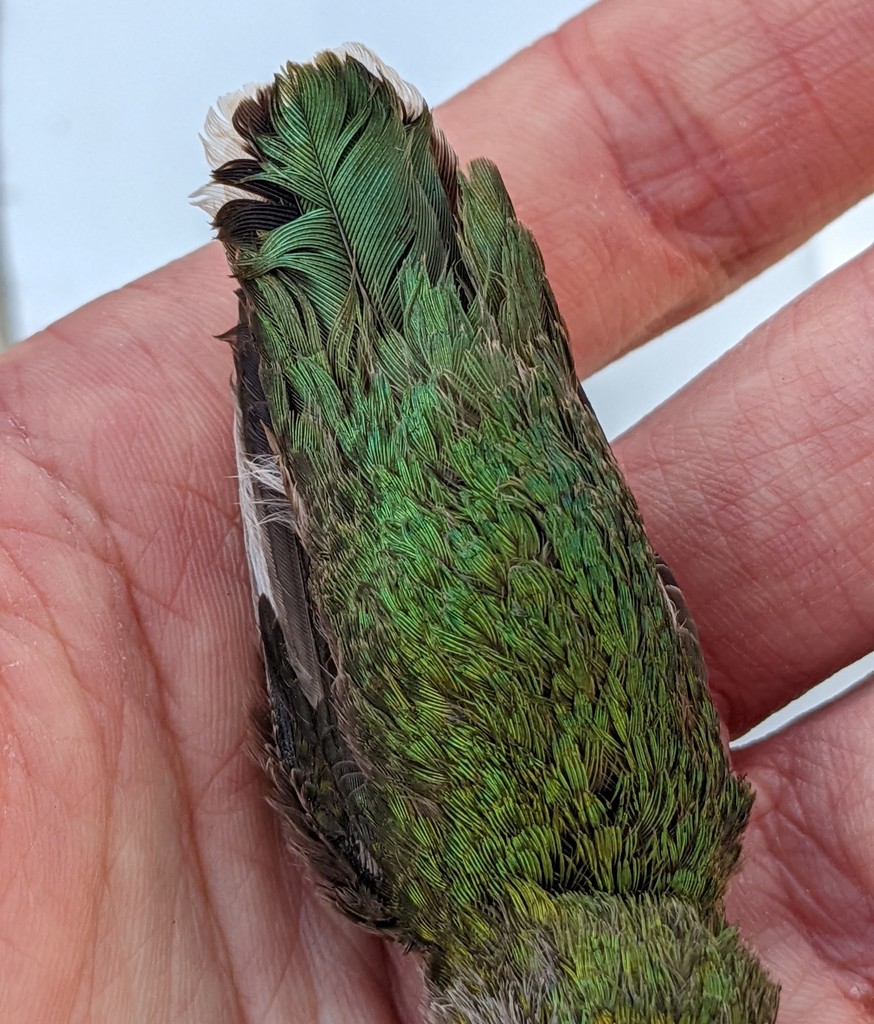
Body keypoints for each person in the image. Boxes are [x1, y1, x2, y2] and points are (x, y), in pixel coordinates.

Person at [1, 1, 872, 1019]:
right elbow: (299, 632)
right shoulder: (401, 874)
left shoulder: (693, 823)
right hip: (352, 430)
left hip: (478, 379)